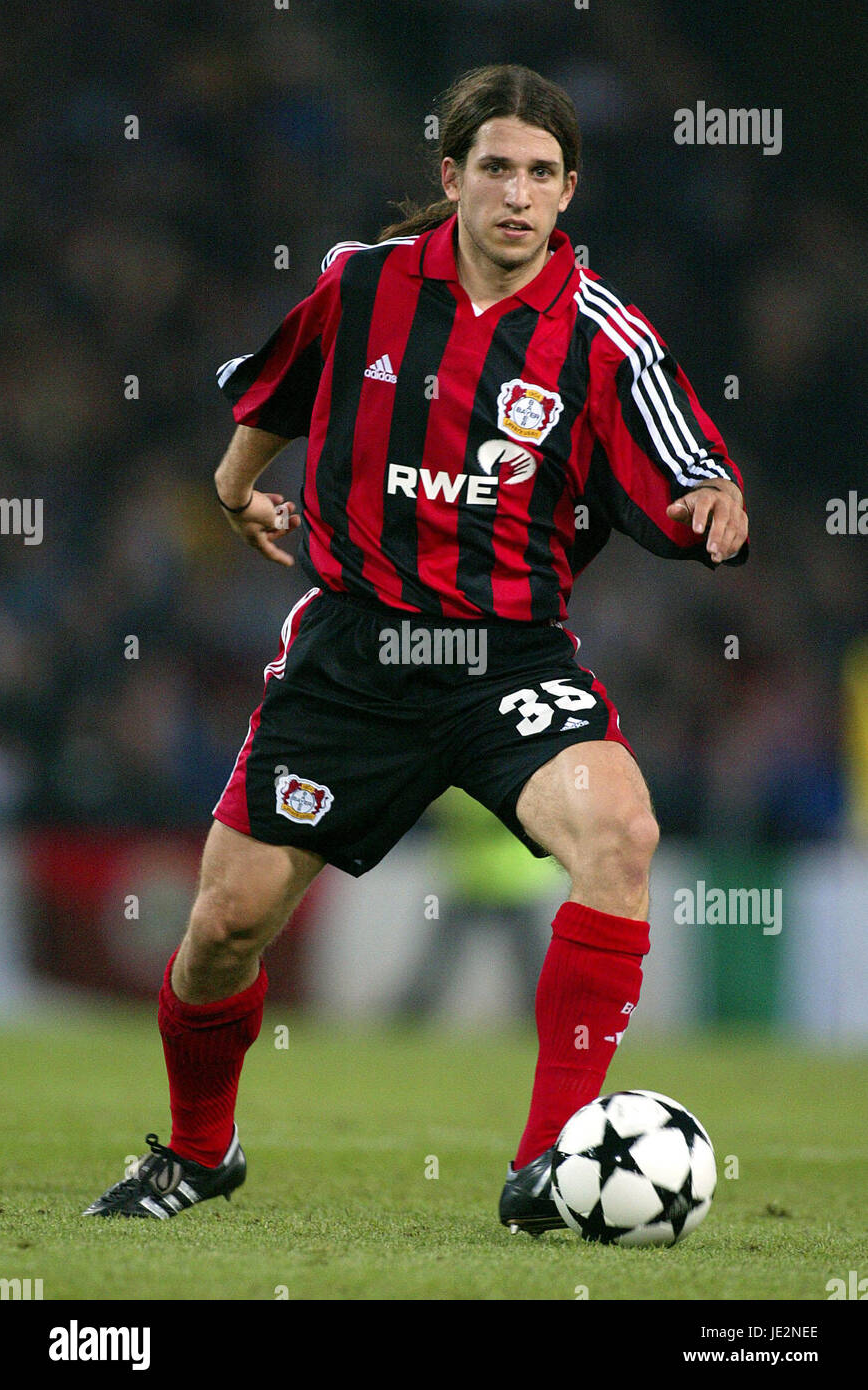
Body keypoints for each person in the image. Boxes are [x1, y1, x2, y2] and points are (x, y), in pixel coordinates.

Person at [84, 64, 748, 1231]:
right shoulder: (367, 285)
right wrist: (237, 488)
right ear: (451, 178)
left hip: (507, 659)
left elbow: (679, 447)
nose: (517, 193)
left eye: (542, 173)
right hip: (353, 656)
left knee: (623, 831)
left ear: (566, 192)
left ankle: (547, 1165)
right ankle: (197, 1152)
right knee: (219, 933)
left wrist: (710, 497)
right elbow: (277, 390)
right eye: (495, 167)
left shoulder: (601, 335)